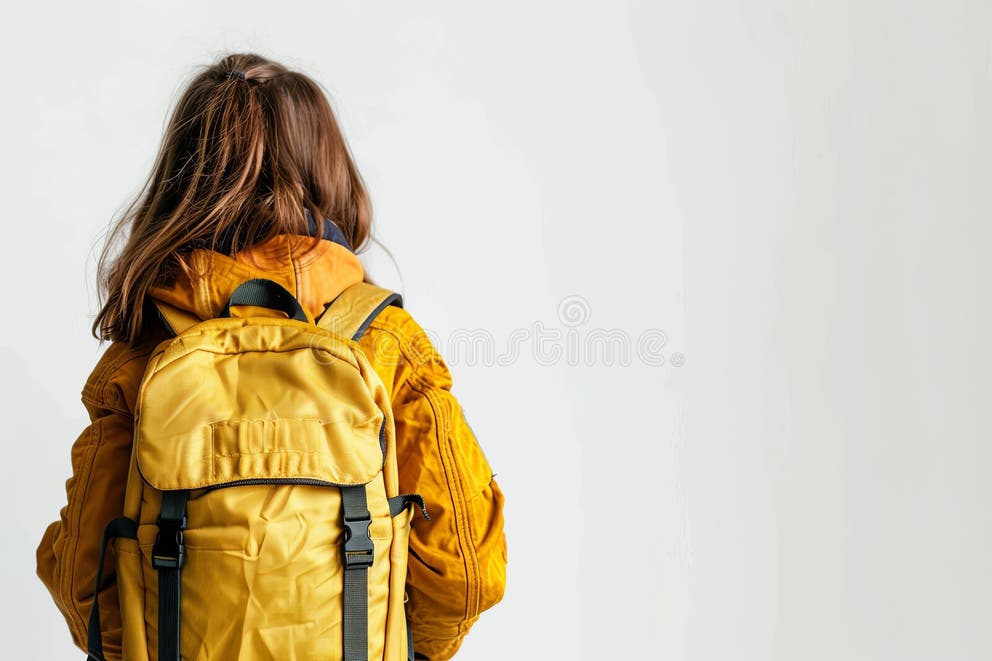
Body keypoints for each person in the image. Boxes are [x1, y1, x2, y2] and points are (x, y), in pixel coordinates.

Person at [35, 52, 507, 660]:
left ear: (184, 179)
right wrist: (403, 648)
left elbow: (81, 579)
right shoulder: (387, 344)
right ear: (330, 171)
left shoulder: (145, 351)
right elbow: (467, 572)